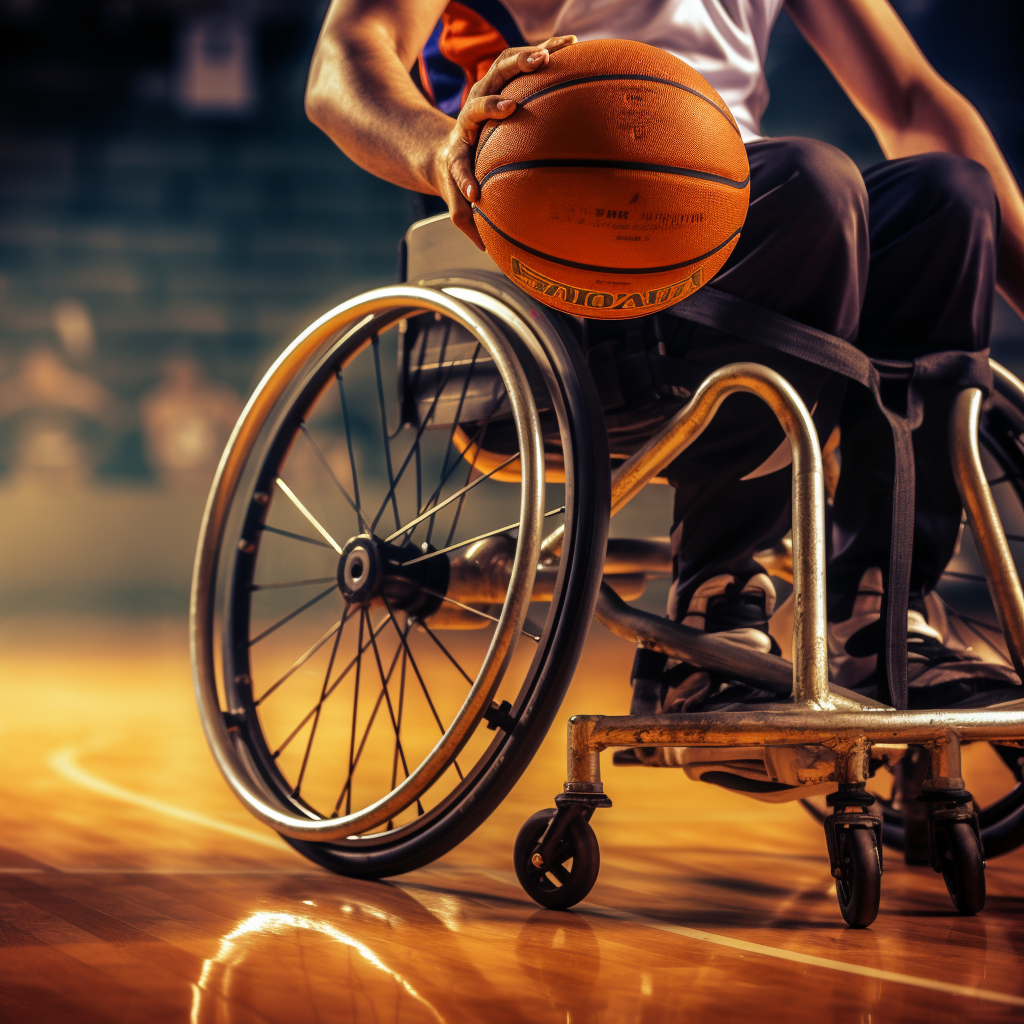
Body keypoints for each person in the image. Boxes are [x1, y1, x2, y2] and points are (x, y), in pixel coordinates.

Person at [304, 1, 1024, 771]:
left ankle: (879, 619)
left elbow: (911, 102)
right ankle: (713, 612)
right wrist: (440, 149)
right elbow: (345, 58)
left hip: (745, 226)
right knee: (811, 182)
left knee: (950, 195)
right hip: (560, 270)